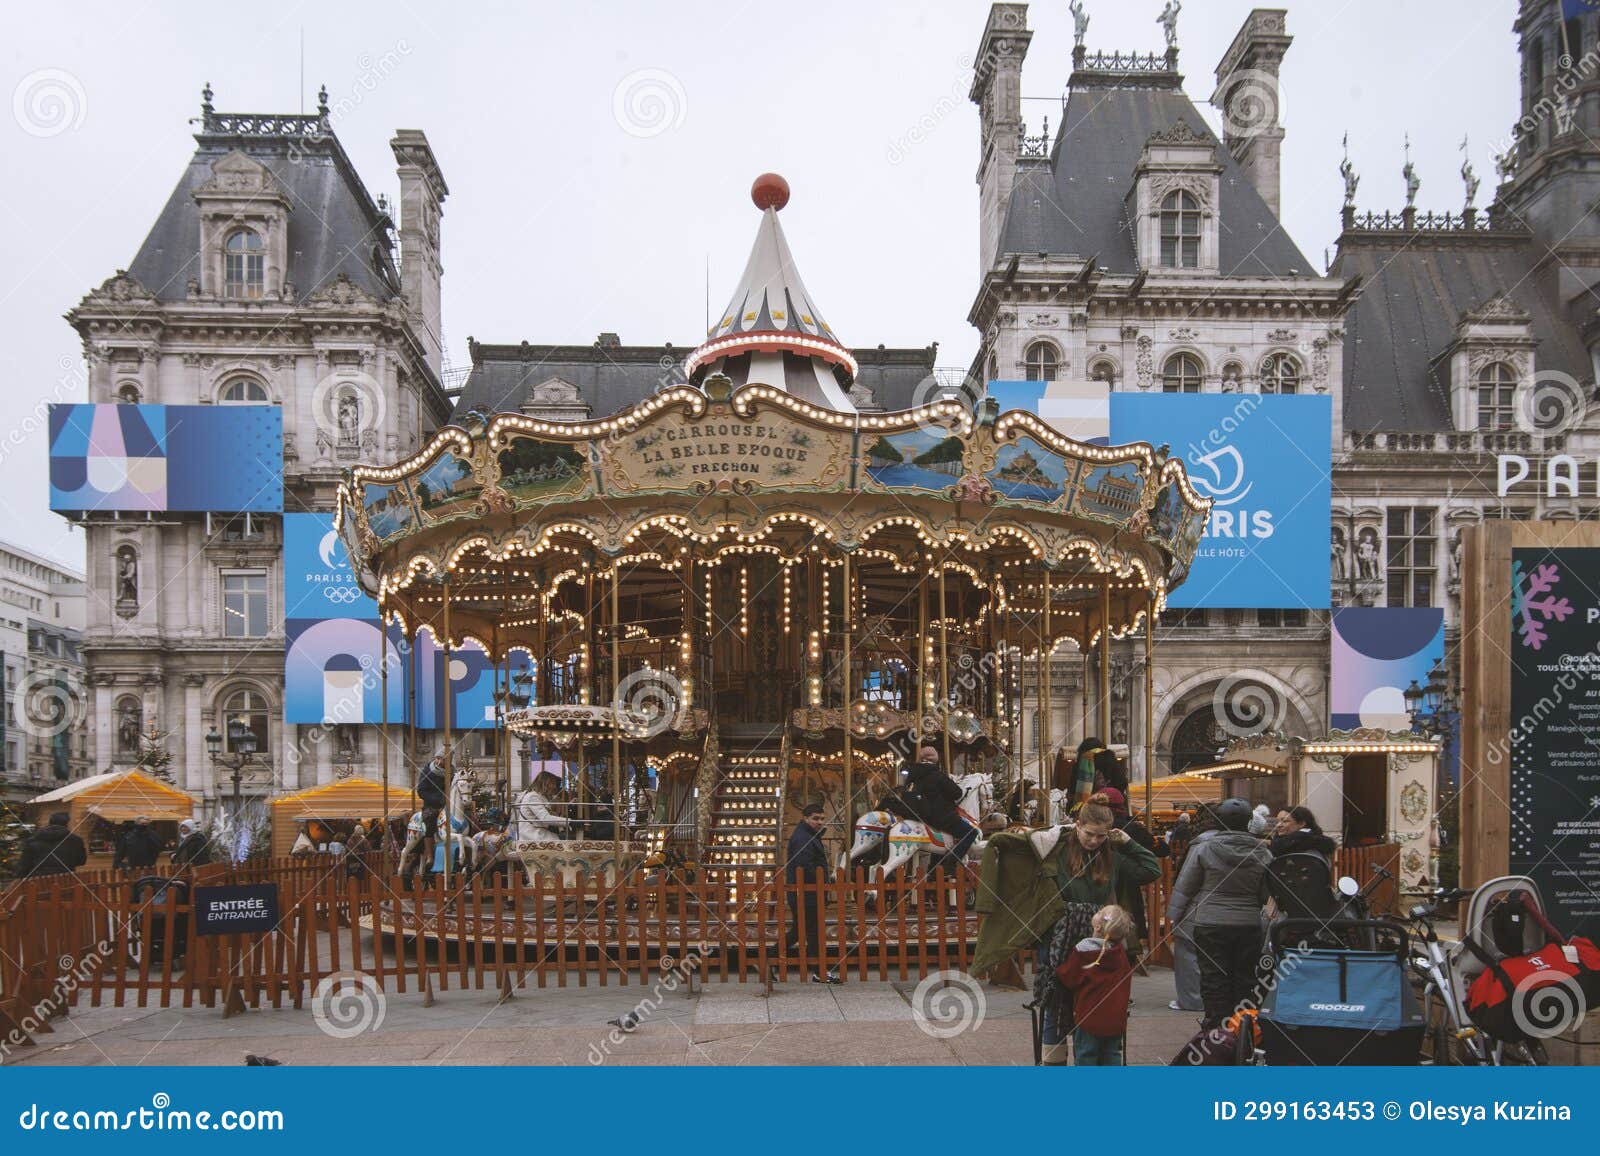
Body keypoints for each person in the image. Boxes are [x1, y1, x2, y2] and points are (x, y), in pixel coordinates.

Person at [1036, 792, 1161, 1063]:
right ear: (1078, 826)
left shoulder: (1113, 857)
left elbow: (1152, 869)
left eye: (1101, 836)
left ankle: (1091, 1062)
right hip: (1058, 937)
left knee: (1095, 1002)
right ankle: (1053, 1065)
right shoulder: (1058, 850)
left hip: (1098, 937)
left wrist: (1128, 843)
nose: (1094, 841)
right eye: (1089, 834)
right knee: (1055, 1003)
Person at [1165, 797, 1271, 1030]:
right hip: (1247, 922)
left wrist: (1174, 916)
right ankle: (1242, 1027)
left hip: (1210, 921)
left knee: (1213, 977)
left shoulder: (1204, 848)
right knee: (1244, 977)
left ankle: (1214, 1029)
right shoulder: (1263, 853)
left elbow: (1186, 885)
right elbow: (1265, 893)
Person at [1056, 904, 1137, 1065]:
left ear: (1098, 926)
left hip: (1089, 1018)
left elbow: (1070, 977)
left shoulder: (1084, 950)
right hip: (1115, 1018)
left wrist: (1058, 971)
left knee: (1086, 1055)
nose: (1097, 911)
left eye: (1100, 912)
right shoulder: (1120, 954)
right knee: (1112, 1055)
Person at [1098, 787, 1163, 957]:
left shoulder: (1096, 827)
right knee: (1124, 929)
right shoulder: (1132, 828)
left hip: (1111, 885)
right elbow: (1162, 850)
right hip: (1128, 886)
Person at [782, 802, 839, 983]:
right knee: (809, 932)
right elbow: (805, 866)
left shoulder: (807, 835)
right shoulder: (803, 838)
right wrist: (822, 880)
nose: (820, 822)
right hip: (807, 893)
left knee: (804, 931)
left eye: (822, 819)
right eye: (815, 818)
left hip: (809, 892)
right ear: (805, 818)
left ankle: (818, 971)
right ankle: (818, 971)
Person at [900, 745, 976, 869]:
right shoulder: (937, 775)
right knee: (971, 832)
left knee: (942, 842)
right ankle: (951, 863)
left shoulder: (912, 775)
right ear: (935, 759)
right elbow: (957, 793)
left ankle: (935, 871)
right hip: (940, 816)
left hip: (922, 815)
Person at [17, 812, 86, 878]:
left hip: (38, 880)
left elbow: (24, 865)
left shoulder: (34, 839)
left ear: (50, 822)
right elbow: (81, 861)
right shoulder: (76, 840)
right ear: (67, 824)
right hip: (65, 879)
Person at [1270, 805, 1336, 865]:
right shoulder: (1282, 845)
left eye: (1285, 821)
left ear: (1301, 823)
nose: (1278, 825)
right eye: (1277, 821)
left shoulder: (1309, 849)